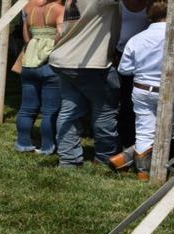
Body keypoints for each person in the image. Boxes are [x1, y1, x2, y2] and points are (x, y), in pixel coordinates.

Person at [47, 0, 121, 169]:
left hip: (64, 59)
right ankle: (105, 158)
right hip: (91, 63)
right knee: (104, 111)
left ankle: (68, 159)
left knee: (70, 110)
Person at [114, 0, 170, 179]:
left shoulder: (136, 39)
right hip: (172, 92)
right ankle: (130, 159)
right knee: (170, 132)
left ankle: (140, 172)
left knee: (145, 131)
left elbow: (124, 69)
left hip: (142, 90)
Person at [14, 0, 67, 154]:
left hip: (29, 62)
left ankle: (23, 143)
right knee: (50, 110)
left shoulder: (32, 11)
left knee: (26, 108)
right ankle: (47, 146)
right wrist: (50, 47)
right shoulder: (60, 10)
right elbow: (62, 33)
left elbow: (26, 37)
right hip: (50, 64)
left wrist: (36, 45)